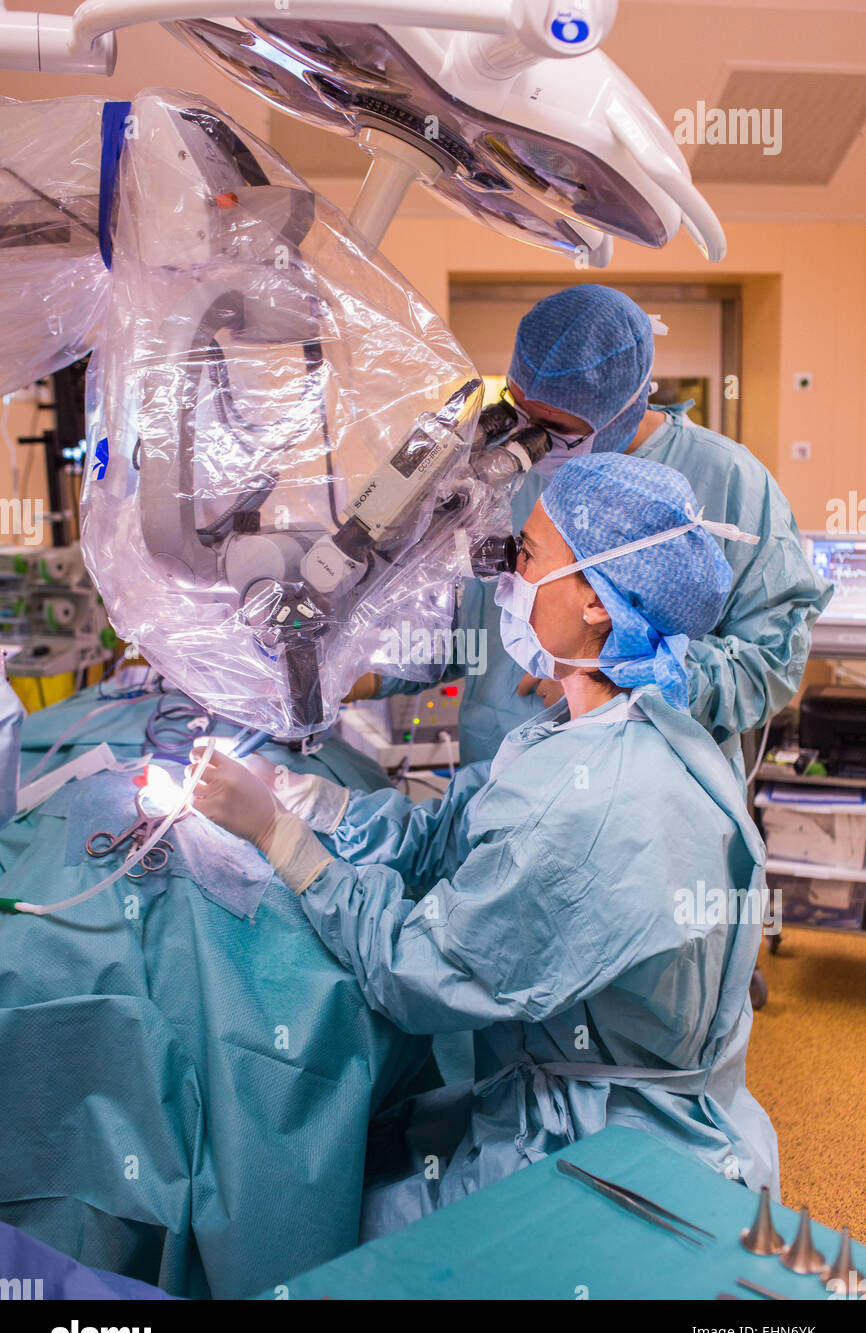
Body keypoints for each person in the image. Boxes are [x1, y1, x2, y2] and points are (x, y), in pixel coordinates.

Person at [190, 453, 780, 1236]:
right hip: (631, 1104)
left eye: (526, 556)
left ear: (596, 603)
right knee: (389, 1139)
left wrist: (281, 840)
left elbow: (414, 974)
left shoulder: (587, 806)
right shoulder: (634, 726)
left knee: (336, 1217)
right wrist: (315, 803)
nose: (507, 577)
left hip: (606, 1155)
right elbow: (457, 830)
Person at [346, 284, 831, 787]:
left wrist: (611, 684)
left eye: (551, 427)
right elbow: (469, 630)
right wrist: (366, 672)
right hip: (502, 771)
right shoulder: (501, 477)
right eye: (517, 410)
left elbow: (767, 664)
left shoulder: (730, 481)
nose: (525, 440)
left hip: (644, 787)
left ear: (621, 408)